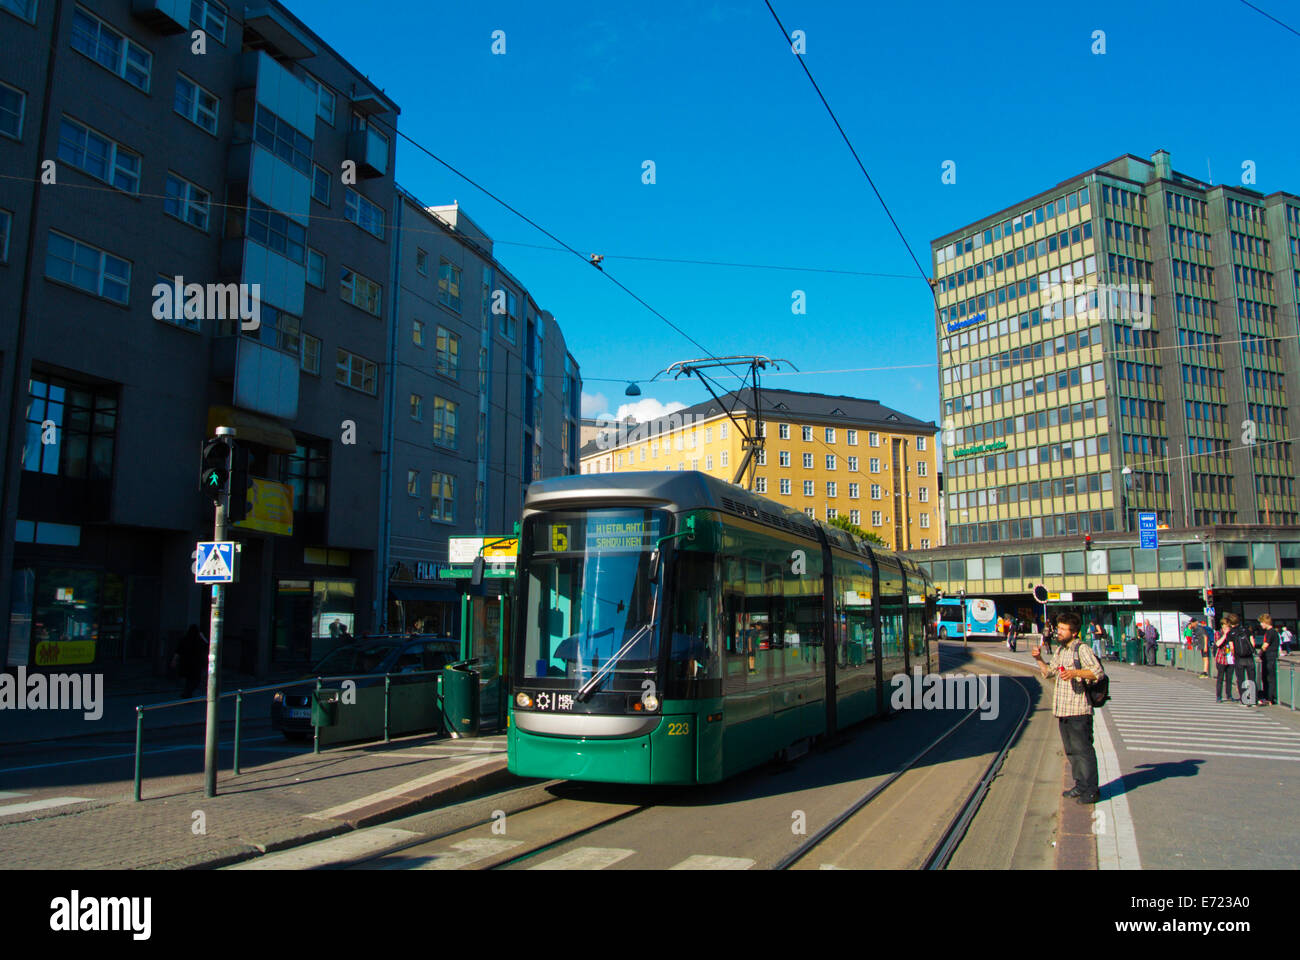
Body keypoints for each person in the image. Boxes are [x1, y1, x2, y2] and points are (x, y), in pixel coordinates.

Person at [1031, 611, 1105, 804]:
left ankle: (1091, 790)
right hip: (1063, 710)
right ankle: (1080, 785)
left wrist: (1074, 673)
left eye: (1064, 629)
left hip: (1079, 709)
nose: (1059, 632)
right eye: (1059, 628)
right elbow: (1048, 672)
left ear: (1074, 632)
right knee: (1071, 751)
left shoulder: (1082, 649)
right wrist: (1038, 659)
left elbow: (1097, 672)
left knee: (1083, 751)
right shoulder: (1060, 650)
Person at [1224, 612, 1257, 706]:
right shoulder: (1246, 630)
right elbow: (1253, 643)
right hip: (1249, 658)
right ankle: (1253, 699)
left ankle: (1244, 700)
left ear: (1230, 622)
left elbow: (1232, 648)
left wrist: (1234, 655)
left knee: (1241, 679)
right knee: (1251, 678)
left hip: (1239, 658)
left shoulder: (1230, 633)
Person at [171, 624, 209, 699]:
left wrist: (174, 660)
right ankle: (187, 693)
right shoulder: (199, 641)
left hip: (185, 663)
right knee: (195, 680)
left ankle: (186, 693)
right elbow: (207, 646)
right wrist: (203, 637)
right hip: (196, 664)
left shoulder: (184, 640)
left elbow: (178, 651)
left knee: (188, 679)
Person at [1256, 614, 1279, 706]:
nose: (1261, 624)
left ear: (1266, 622)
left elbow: (1265, 645)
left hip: (1270, 658)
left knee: (1269, 678)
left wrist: (1260, 653)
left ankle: (1270, 698)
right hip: (1269, 658)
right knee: (1266, 678)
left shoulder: (1270, 632)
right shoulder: (1271, 632)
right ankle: (1268, 697)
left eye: (1261, 622)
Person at [1213, 618, 1235, 702]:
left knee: (1229, 678)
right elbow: (1217, 644)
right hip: (1221, 658)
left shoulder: (1232, 633)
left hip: (1230, 658)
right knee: (1220, 678)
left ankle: (1229, 695)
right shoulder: (1218, 633)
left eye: (1228, 626)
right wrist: (1225, 635)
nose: (1227, 628)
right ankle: (1219, 696)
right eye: (1225, 626)